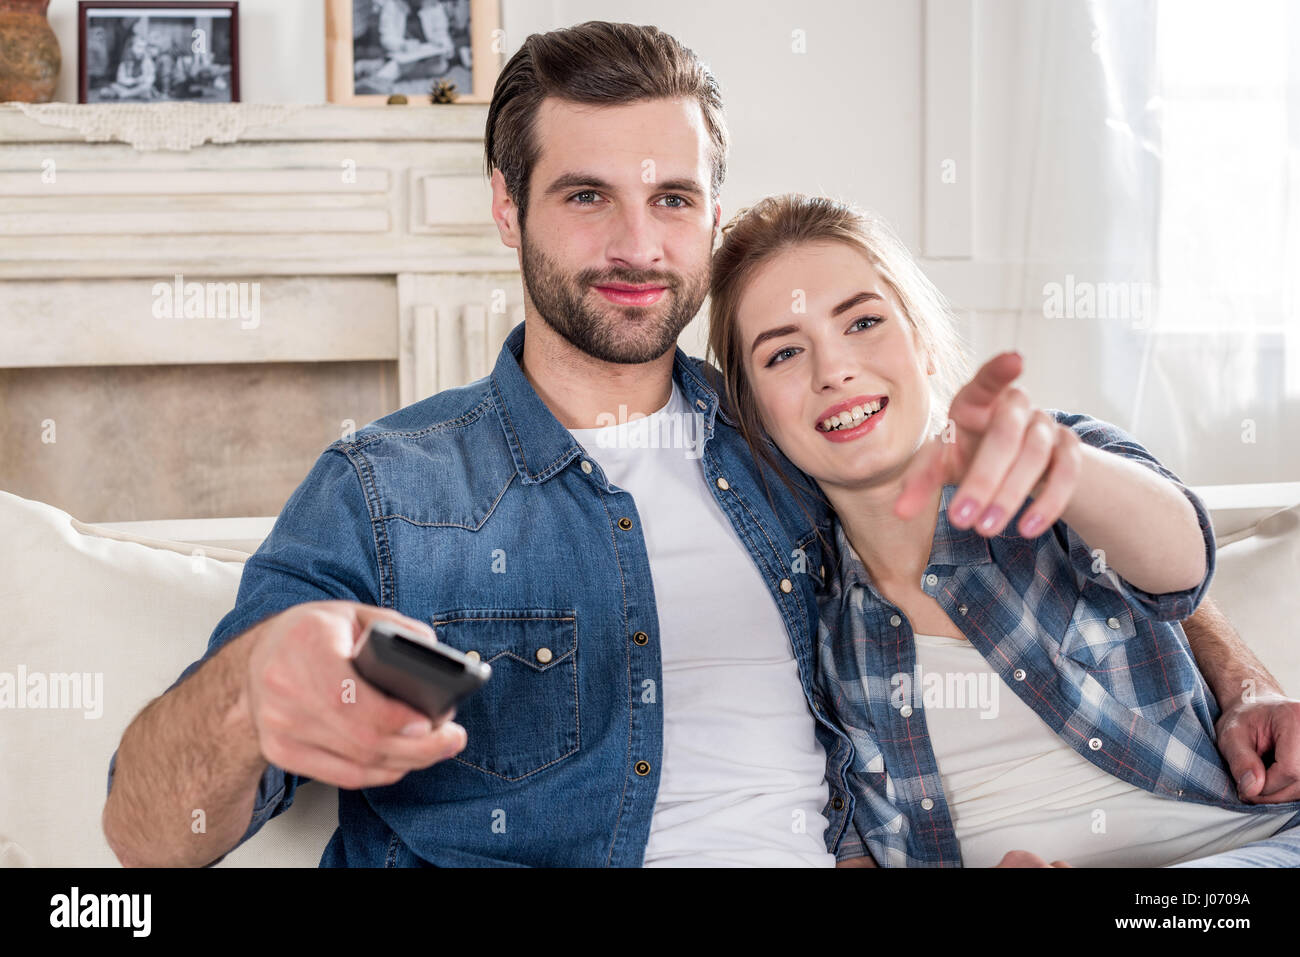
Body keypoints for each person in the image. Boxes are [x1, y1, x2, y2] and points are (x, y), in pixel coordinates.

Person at [102, 22, 1297, 869]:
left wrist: (1239, 672)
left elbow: (1067, 533)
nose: (637, 242)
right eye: (586, 197)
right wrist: (246, 698)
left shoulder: (791, 431)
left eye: (672, 197)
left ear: (711, 214)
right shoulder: (386, 490)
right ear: (508, 207)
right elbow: (145, 845)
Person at [706, 193, 1300, 867]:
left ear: (924, 342)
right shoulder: (811, 627)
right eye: (783, 354)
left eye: (864, 321)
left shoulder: (1055, 459)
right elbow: (849, 840)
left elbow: (1181, 567)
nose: (834, 370)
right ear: (755, 413)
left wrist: (1062, 469)